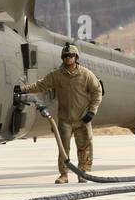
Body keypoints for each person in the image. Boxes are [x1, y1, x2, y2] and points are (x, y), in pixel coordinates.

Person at [18, 42, 103, 183]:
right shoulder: (56, 75)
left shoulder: (86, 74)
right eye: (66, 56)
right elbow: (41, 85)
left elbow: (97, 92)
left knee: (85, 147)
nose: (68, 58)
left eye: (71, 55)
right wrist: (23, 89)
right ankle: (64, 174)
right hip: (65, 119)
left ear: (76, 57)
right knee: (64, 148)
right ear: (62, 58)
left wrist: (92, 111)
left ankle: (83, 173)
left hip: (83, 118)